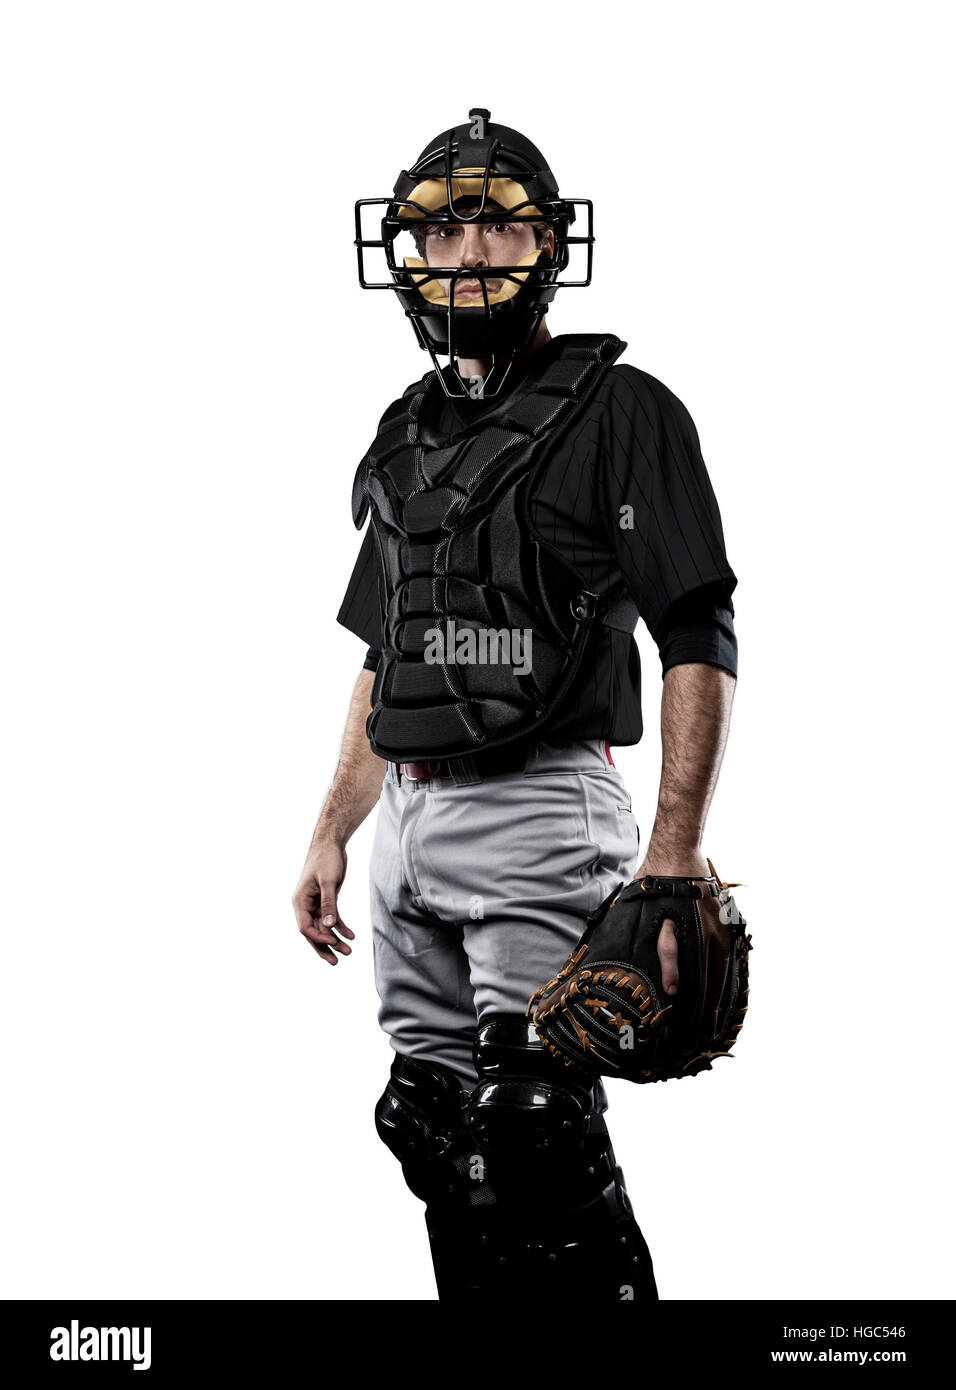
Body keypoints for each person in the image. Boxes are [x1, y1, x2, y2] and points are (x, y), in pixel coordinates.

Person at [292, 109, 739, 1301]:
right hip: (406, 820)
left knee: (532, 1132)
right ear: (406, 257)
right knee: (431, 1130)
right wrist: (332, 829)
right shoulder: (399, 440)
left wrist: (671, 860)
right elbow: (383, 658)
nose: (473, 253)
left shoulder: (619, 409)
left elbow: (695, 627)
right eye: (446, 231)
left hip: (542, 802)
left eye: (501, 223)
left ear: (549, 245)